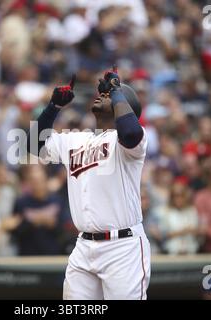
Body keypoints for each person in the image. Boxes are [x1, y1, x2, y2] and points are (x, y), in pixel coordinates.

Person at [28, 68, 150, 299]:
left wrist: (115, 91)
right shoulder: (76, 139)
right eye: (103, 93)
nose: (102, 94)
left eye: (109, 95)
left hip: (122, 247)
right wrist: (52, 107)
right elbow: (33, 145)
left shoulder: (130, 141)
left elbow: (131, 133)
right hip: (83, 247)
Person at [11, 164, 63, 256]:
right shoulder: (21, 202)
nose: (37, 184)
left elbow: (64, 229)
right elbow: (15, 231)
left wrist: (53, 224)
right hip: (27, 256)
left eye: (40, 180)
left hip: (53, 255)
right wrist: (31, 222)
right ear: (28, 182)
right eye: (33, 180)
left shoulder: (57, 200)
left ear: (46, 180)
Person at [158, 182, 204, 255]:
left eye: (181, 195)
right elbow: (163, 235)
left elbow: (197, 231)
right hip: (171, 252)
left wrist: (198, 230)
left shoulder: (192, 211)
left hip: (191, 251)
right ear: (171, 197)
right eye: (175, 196)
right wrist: (184, 231)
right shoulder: (164, 211)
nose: (178, 198)